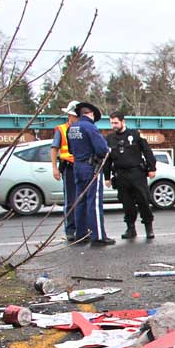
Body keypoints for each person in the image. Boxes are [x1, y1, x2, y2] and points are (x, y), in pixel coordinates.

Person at [67, 102, 114, 246]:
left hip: (78, 166)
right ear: (91, 114)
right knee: (94, 202)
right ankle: (98, 235)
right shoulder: (90, 127)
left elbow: (70, 149)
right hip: (91, 167)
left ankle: (80, 234)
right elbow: (102, 149)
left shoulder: (72, 128)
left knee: (79, 200)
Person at [104, 111, 157, 240]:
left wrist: (151, 168)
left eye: (116, 122)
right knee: (127, 204)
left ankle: (148, 228)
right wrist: (106, 177)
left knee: (143, 201)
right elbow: (107, 159)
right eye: (112, 123)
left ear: (123, 122)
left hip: (137, 174)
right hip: (121, 175)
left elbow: (147, 151)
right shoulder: (110, 139)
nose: (114, 125)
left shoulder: (135, 134)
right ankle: (130, 228)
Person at [50, 100, 79, 240]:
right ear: (69, 115)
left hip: (81, 167)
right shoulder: (61, 129)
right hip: (68, 167)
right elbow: (54, 149)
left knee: (82, 199)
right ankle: (70, 229)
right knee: (71, 200)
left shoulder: (82, 128)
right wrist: (54, 168)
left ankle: (82, 227)